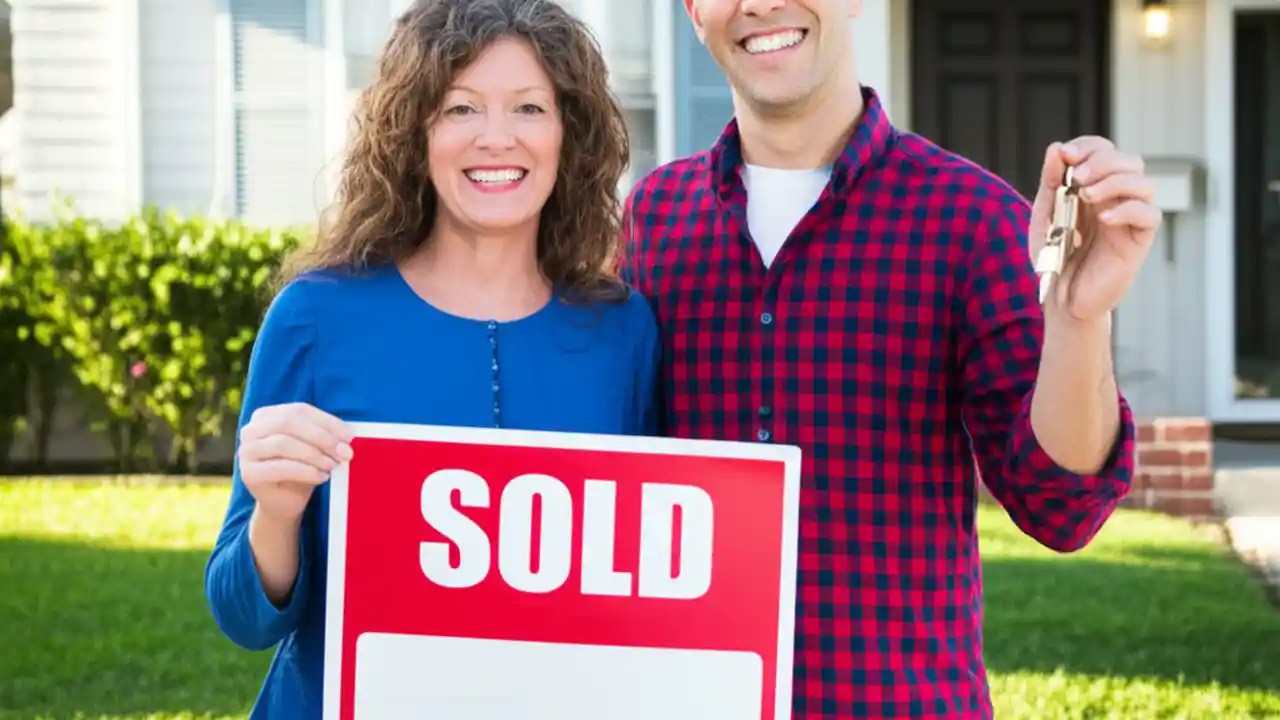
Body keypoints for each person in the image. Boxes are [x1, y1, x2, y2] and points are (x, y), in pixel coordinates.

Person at [619, 0, 1161, 718]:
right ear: (693, 11)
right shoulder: (654, 217)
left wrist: (1077, 319)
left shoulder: (969, 218)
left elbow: (1060, 509)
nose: (758, 5)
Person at [203, 1, 658, 716]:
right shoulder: (316, 317)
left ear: (571, 134)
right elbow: (244, 618)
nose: (497, 138)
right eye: (460, 109)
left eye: (530, 108)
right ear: (415, 134)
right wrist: (277, 512)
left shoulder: (622, 333)